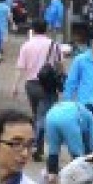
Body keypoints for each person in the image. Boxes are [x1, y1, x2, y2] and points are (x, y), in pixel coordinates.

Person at [13, 20, 62, 161]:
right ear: (46, 29)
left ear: (33, 30)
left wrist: (15, 86)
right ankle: (36, 146)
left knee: (37, 114)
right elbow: (59, 65)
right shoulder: (54, 45)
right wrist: (62, 83)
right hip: (48, 86)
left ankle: (37, 148)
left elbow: (20, 68)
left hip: (31, 85)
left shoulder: (26, 45)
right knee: (43, 116)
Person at [42, 101, 93, 184]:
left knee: (53, 150)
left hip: (50, 116)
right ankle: (79, 180)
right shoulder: (91, 116)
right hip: (68, 120)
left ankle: (51, 178)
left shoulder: (77, 106)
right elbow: (92, 140)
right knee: (77, 154)